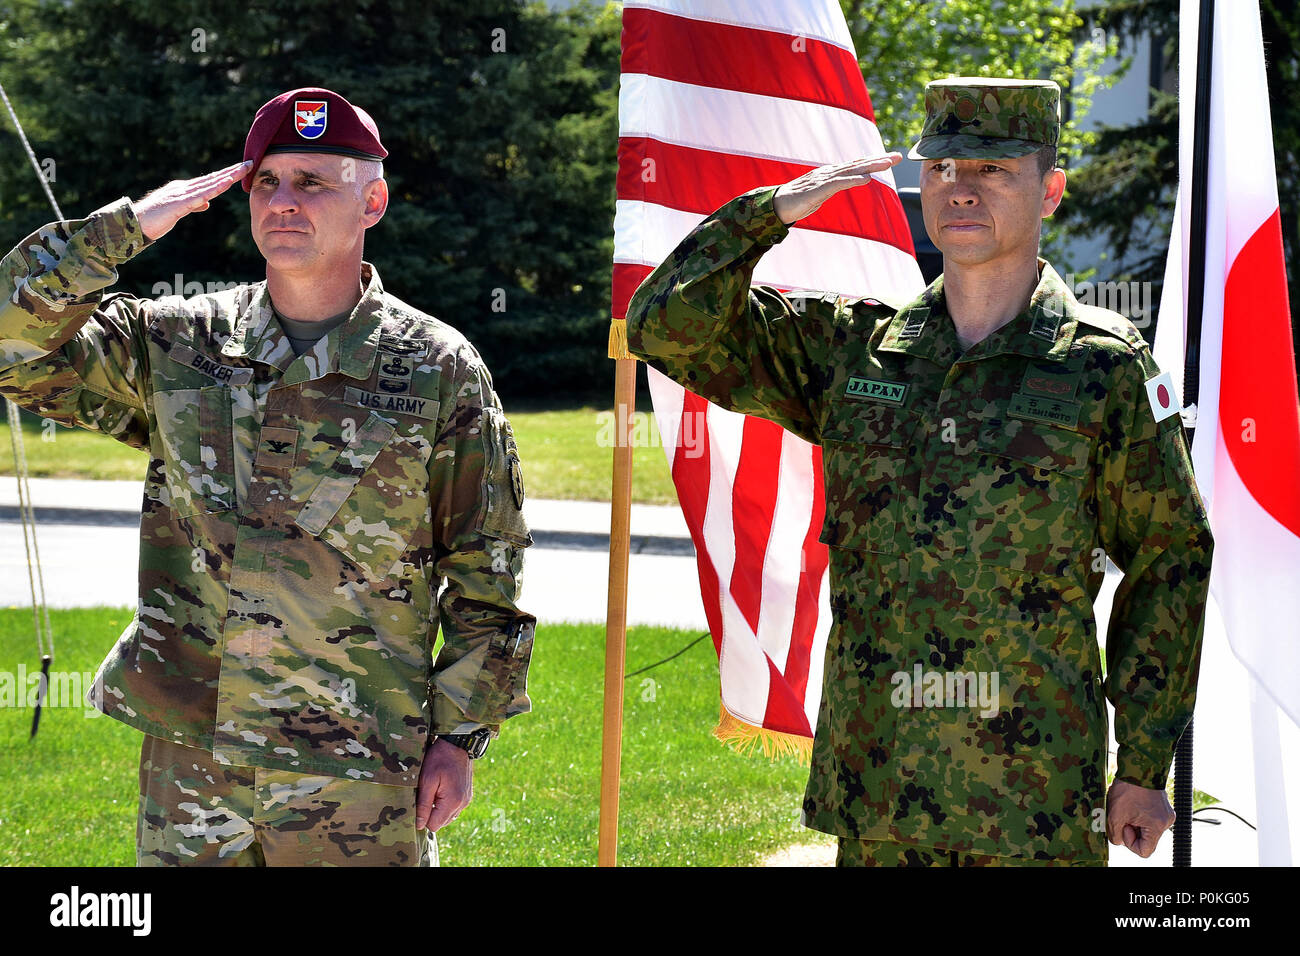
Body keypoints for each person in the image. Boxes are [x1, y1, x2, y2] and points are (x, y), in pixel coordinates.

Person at [626, 78, 1212, 866]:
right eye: (940, 168)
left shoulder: (1101, 370)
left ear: (1051, 192)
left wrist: (1143, 766)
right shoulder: (854, 350)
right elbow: (661, 327)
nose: (959, 189)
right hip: (881, 797)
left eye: (992, 171)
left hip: (1032, 808)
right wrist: (767, 215)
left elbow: (1169, 558)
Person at [0, 87, 536, 866]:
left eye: (313, 182)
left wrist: (459, 738)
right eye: (266, 182)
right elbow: (13, 341)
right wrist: (129, 227)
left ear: (373, 201)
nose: (284, 202)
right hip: (194, 763)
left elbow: (488, 568)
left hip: (357, 769)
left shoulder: (437, 368)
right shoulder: (183, 344)